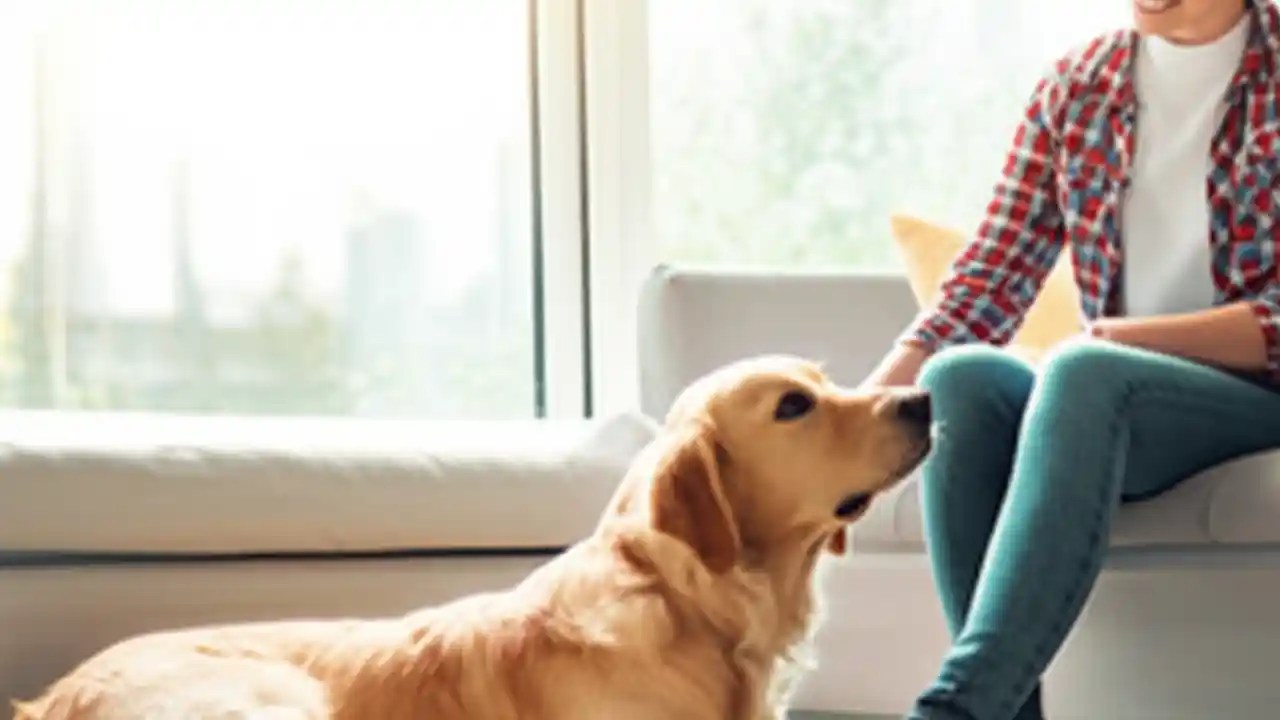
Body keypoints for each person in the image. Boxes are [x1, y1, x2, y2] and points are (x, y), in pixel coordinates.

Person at [861, 1, 1280, 718]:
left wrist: (1120, 340)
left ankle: (957, 709)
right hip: (1105, 393)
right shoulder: (1076, 87)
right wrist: (852, 417)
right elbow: (984, 282)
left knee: (1084, 371)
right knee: (959, 380)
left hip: (1251, 398)